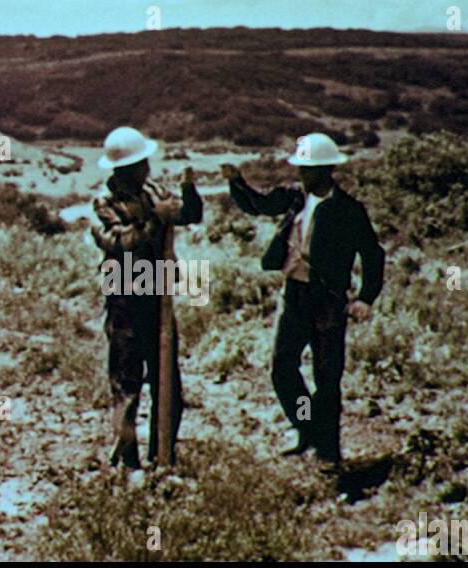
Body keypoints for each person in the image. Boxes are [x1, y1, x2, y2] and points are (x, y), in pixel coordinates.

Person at [221, 133, 384, 469]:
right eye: (301, 169)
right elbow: (259, 205)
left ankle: (328, 451)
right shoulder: (295, 199)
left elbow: (373, 254)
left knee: (327, 378)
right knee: (283, 367)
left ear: (326, 171)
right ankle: (307, 427)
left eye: (308, 170)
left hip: (328, 300)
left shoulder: (348, 210)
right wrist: (237, 183)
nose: (302, 175)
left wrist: (366, 297)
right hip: (294, 295)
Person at [90, 127, 203, 468]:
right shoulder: (104, 203)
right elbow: (121, 243)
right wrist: (156, 219)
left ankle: (162, 456)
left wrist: (188, 191)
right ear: (125, 168)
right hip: (125, 299)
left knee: (168, 385)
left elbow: (188, 214)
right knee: (127, 386)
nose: (148, 168)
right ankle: (127, 461)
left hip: (157, 297)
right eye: (142, 163)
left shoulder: (154, 191)